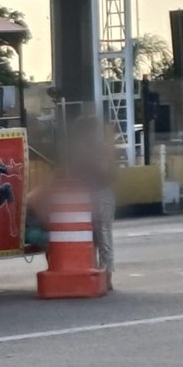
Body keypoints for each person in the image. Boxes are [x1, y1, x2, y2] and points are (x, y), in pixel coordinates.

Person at [68, 116, 118, 290]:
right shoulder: (84, 151)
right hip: (88, 194)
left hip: (100, 192)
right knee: (92, 236)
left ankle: (106, 276)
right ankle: (98, 275)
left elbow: (109, 173)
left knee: (102, 234)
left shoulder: (100, 150)